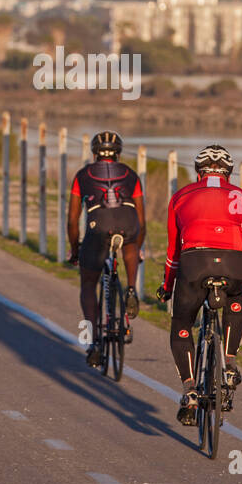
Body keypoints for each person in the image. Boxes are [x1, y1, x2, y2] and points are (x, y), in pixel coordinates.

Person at [156, 145, 242, 426]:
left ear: (198, 171)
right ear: (230, 172)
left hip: (194, 263)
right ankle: (229, 362)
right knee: (236, 299)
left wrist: (167, 285)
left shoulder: (181, 196)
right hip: (235, 264)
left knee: (182, 322)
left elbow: (173, 251)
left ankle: (190, 389)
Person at [66, 131, 145, 368]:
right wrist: (138, 247)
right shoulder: (132, 175)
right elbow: (141, 219)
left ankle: (92, 342)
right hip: (128, 223)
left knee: (89, 283)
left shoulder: (82, 175)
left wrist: (75, 249)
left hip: (98, 226)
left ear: (94, 153)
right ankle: (131, 289)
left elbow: (72, 219)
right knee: (131, 244)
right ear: (119, 153)